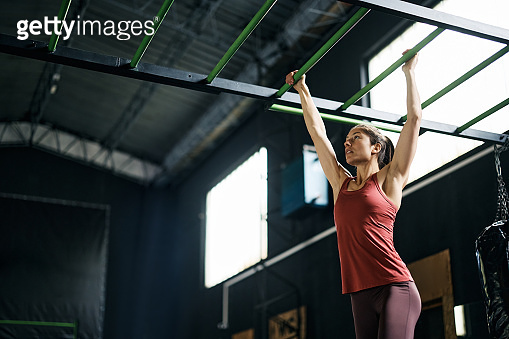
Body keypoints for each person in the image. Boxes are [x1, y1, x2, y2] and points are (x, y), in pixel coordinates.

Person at [285, 50, 422, 339]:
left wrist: (409, 72)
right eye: (346, 141)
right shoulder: (340, 184)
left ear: (375, 147)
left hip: (394, 287)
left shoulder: (390, 178)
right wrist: (303, 91)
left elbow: (413, 120)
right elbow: (317, 133)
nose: (347, 143)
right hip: (358, 292)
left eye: (355, 138)